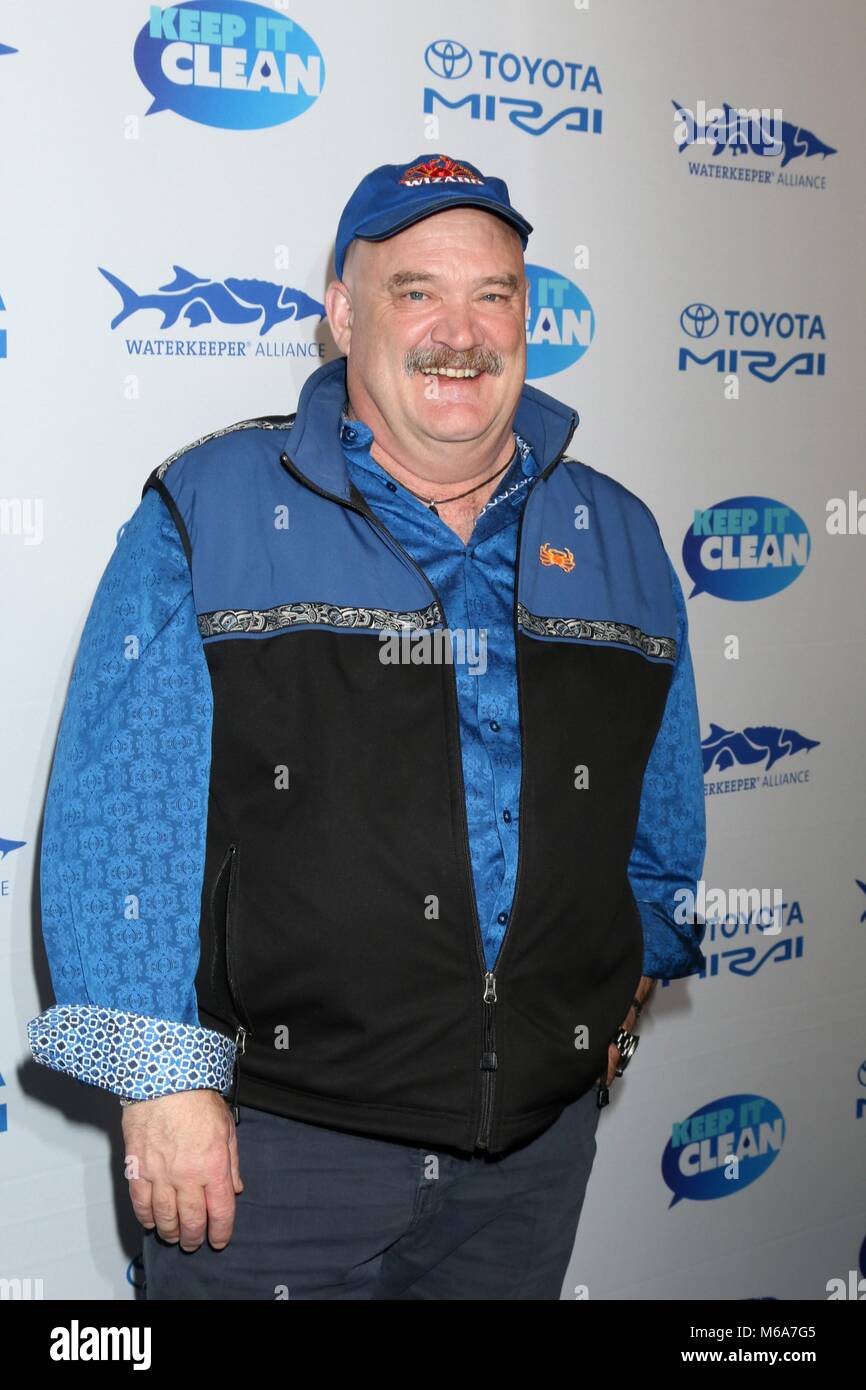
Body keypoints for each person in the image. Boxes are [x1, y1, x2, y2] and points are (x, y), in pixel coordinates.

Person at [28, 152, 706, 1300]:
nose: (460, 331)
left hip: (530, 1159)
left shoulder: (620, 537)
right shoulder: (214, 508)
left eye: (492, 294)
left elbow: (661, 813)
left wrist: (620, 973)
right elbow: (120, 817)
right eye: (415, 291)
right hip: (271, 1158)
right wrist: (160, 1087)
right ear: (342, 314)